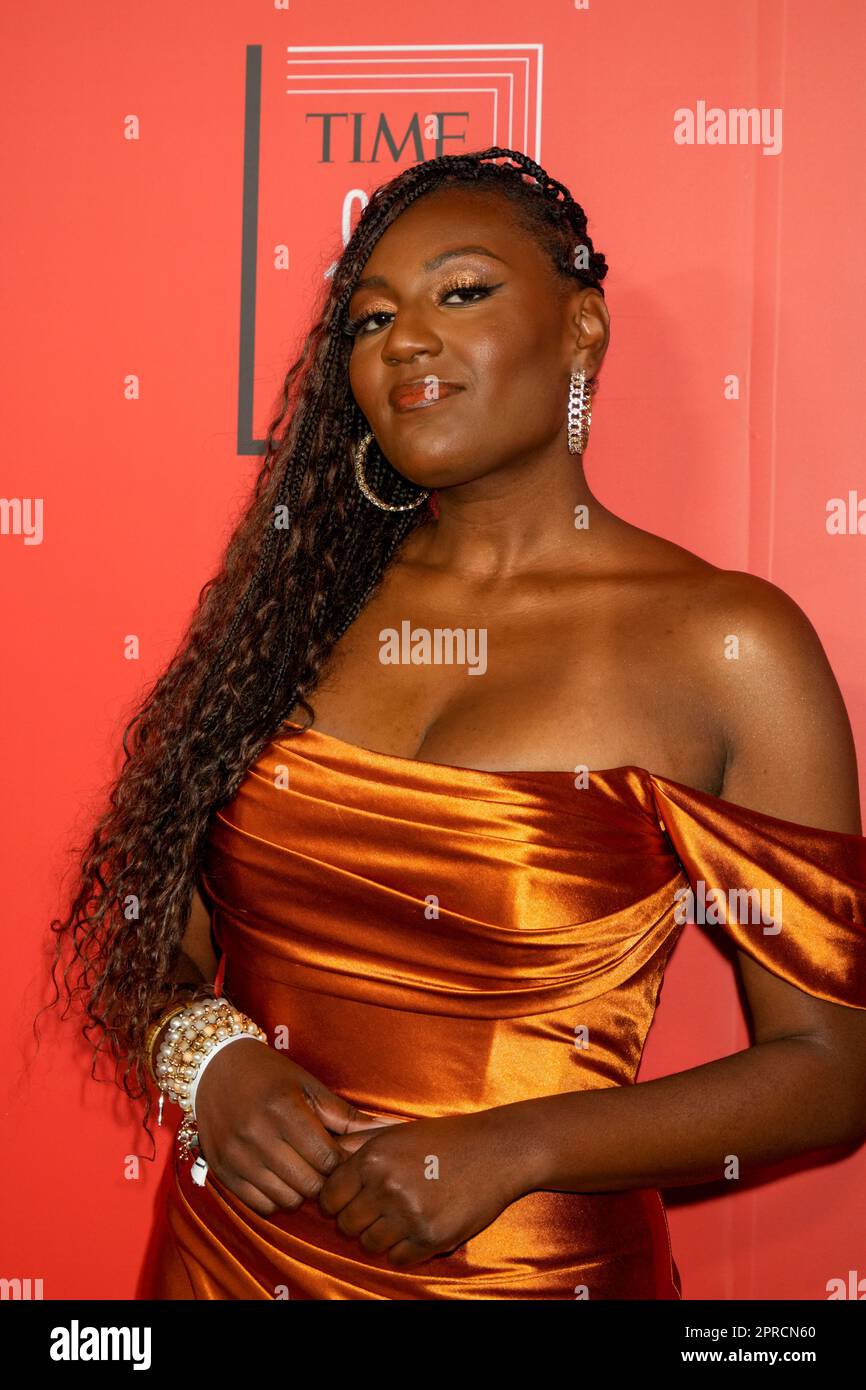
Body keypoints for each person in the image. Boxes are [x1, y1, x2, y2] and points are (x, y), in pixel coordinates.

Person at [45, 148, 866, 1301]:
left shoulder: (729, 648)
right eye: (372, 316)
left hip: (524, 1278)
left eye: (462, 293)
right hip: (225, 1263)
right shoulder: (293, 608)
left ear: (582, 330)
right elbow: (150, 941)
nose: (406, 341)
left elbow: (829, 1070)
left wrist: (515, 1146)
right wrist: (210, 1058)